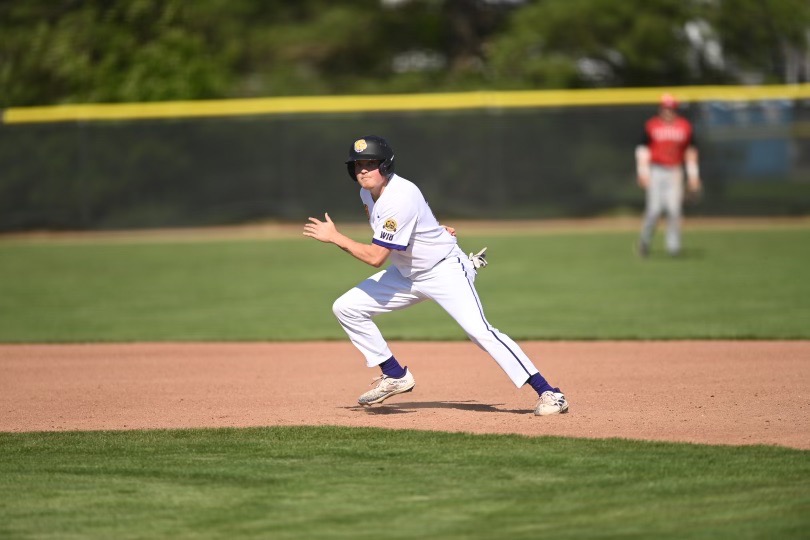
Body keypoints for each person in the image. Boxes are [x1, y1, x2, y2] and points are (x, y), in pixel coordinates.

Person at [302, 135, 569, 416]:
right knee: (346, 307)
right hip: (407, 274)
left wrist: (335, 238)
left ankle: (550, 393)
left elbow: (375, 258)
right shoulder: (367, 193)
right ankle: (394, 374)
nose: (363, 170)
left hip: (444, 271)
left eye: (371, 163)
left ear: (386, 166)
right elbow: (412, 221)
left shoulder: (399, 196)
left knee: (480, 332)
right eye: (357, 165)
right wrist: (435, 229)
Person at [635, 93, 702, 257]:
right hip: (656, 170)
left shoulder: (684, 126)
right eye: (665, 108)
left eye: (671, 108)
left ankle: (674, 248)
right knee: (654, 211)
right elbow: (642, 149)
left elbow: (690, 151)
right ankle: (644, 242)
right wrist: (642, 172)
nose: (668, 111)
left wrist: (693, 175)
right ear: (660, 108)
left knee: (674, 211)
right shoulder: (652, 125)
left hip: (675, 171)